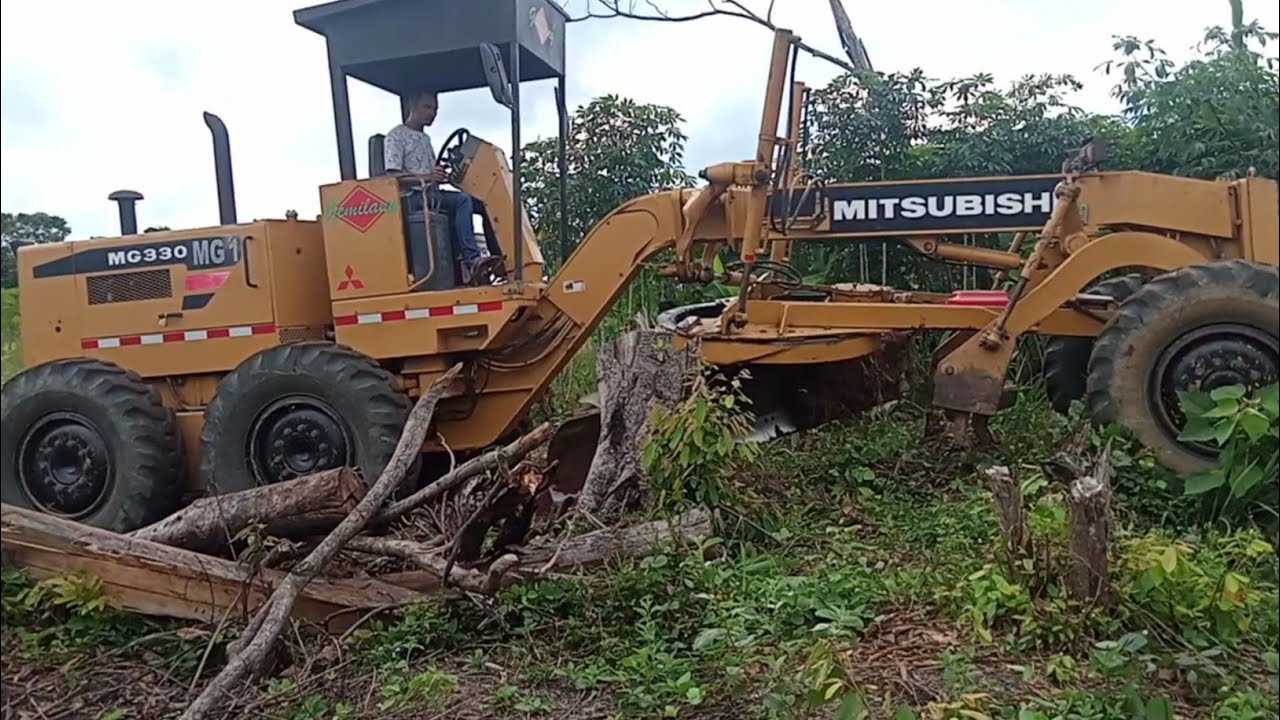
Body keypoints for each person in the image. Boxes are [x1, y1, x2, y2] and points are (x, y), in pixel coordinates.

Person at [383, 89, 483, 280]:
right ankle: (472, 259)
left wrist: (441, 174)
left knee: (482, 203)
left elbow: (429, 172)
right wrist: (428, 176)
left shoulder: (425, 138)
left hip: (431, 193)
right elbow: (392, 177)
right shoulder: (396, 136)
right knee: (462, 201)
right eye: (427, 107)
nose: (432, 113)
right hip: (413, 197)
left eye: (435, 108)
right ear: (412, 106)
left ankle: (498, 261)